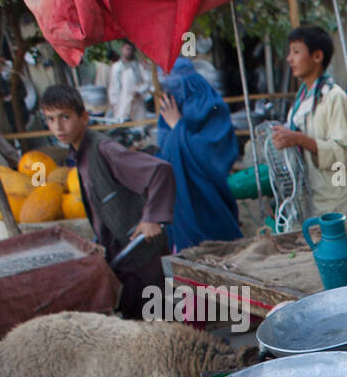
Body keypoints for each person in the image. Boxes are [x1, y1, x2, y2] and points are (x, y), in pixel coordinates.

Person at [40, 84, 174, 319]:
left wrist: (152, 217)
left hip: (142, 256)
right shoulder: (79, 153)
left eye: (65, 117)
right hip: (122, 256)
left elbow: (160, 171)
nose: (58, 126)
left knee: (155, 326)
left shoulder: (104, 149)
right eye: (50, 119)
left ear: (84, 117)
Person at [272, 25, 347, 222]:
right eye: (290, 52)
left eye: (296, 52)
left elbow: (342, 153)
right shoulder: (301, 100)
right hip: (313, 199)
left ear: (317, 56)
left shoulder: (334, 97)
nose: (290, 59)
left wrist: (299, 139)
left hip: (337, 202)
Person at [155, 57, 243, 251]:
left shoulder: (211, 107)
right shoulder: (171, 108)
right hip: (180, 207)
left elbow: (212, 155)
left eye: (175, 84)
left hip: (209, 202)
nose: (172, 91)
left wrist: (178, 126)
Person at [107, 41, 153, 123]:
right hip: (121, 101)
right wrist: (113, 101)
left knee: (139, 124)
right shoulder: (116, 67)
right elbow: (112, 86)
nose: (129, 52)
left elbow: (148, 81)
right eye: (127, 49)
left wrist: (140, 91)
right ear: (122, 50)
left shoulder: (139, 66)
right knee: (121, 123)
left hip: (136, 100)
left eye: (131, 50)